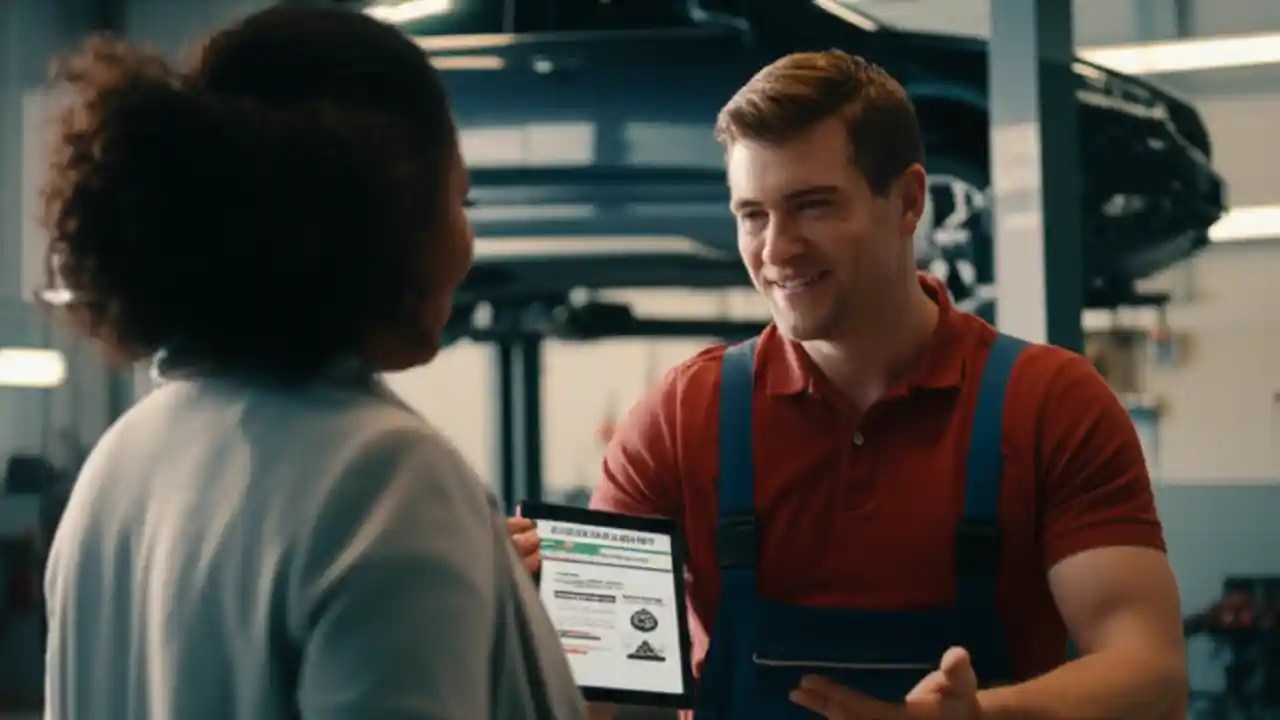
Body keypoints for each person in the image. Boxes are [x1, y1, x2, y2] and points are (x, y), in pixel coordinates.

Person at [512, 50, 1187, 718]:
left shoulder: (1050, 404)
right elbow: (604, 707)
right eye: (753, 214)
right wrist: (527, 624)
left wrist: (984, 716)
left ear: (908, 201)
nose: (777, 249)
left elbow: (1150, 676)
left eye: (812, 206)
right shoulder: (683, 416)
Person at [38, 8, 585, 719]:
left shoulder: (117, 467)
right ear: (386, 212)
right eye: (459, 197)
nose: (467, 243)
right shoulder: (386, 481)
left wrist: (471, 598)